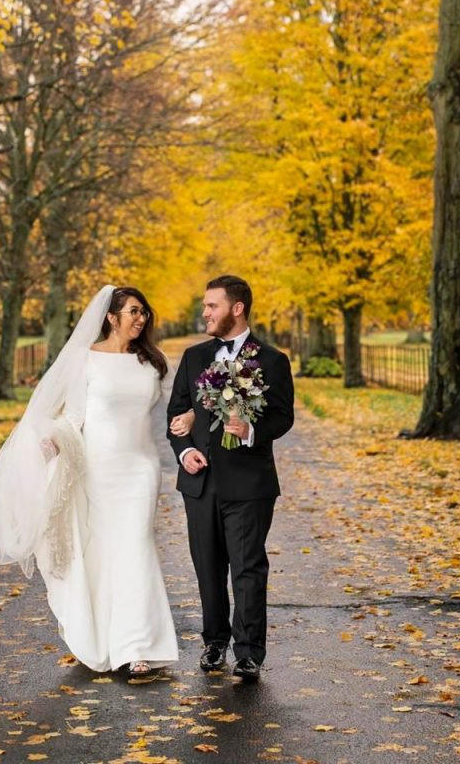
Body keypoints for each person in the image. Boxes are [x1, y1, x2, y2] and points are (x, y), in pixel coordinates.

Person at [0, 285, 193, 677]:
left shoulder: (153, 361)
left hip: (141, 469)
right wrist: (51, 444)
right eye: (133, 311)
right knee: (101, 552)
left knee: (136, 545)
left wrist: (191, 420)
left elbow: (177, 408)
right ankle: (101, 638)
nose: (141, 318)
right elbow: (72, 418)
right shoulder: (85, 361)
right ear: (111, 318)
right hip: (97, 469)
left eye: (143, 312)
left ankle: (138, 646)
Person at [166, 275, 294, 681]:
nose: (204, 313)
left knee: (247, 567)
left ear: (236, 308)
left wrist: (252, 431)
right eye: (204, 306)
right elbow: (176, 417)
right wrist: (185, 452)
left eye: (211, 306)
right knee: (207, 567)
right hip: (200, 484)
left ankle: (250, 651)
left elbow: (282, 416)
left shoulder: (272, 360)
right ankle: (214, 642)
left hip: (249, 483)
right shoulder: (192, 357)